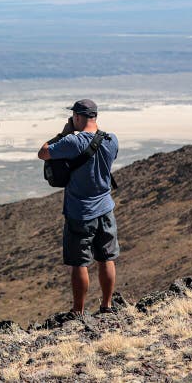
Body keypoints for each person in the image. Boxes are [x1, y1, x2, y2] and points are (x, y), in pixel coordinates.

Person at [37, 99, 119, 315]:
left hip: (80, 211)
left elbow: (43, 152)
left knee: (79, 263)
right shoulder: (112, 140)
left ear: (78, 117)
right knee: (106, 258)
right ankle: (107, 306)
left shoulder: (73, 142)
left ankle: (77, 311)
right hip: (106, 208)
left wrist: (63, 134)